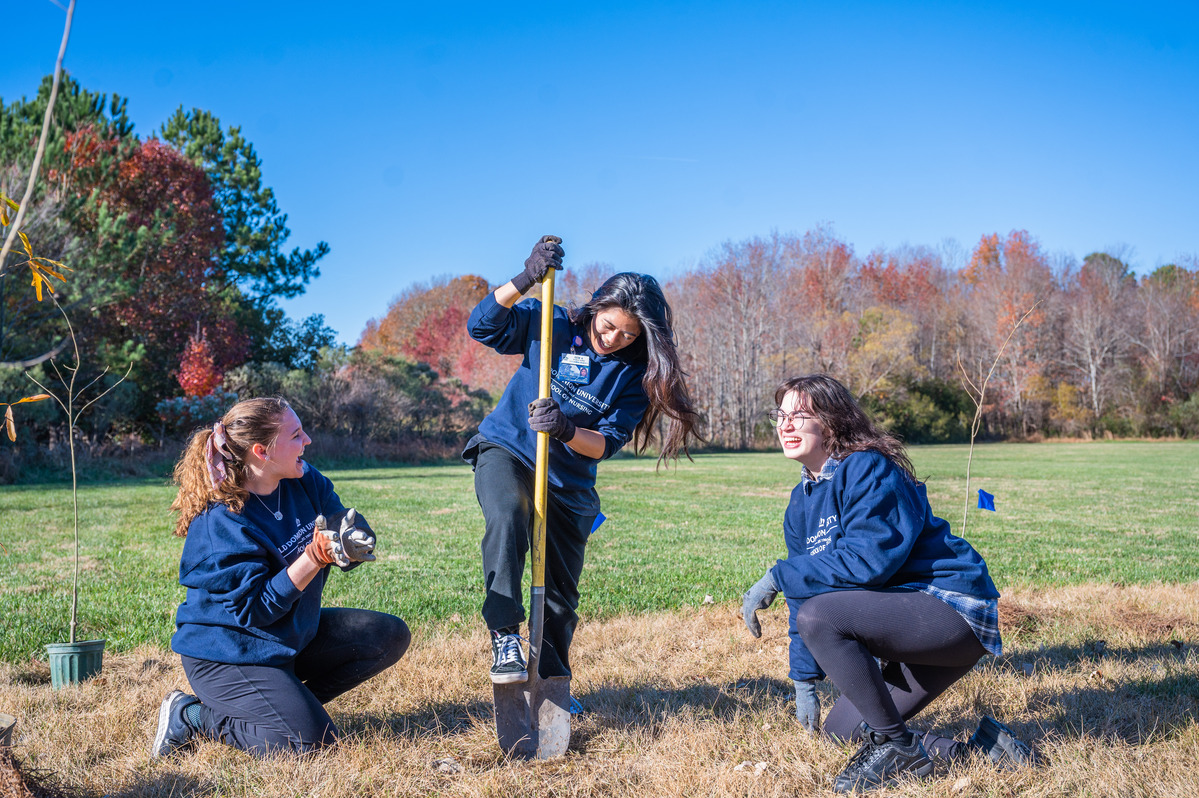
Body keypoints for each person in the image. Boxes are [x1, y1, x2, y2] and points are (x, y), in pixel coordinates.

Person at [740, 374, 1033, 793]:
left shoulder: (867, 468)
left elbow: (869, 562)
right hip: (907, 621)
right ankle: (985, 752)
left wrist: (777, 576)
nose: (785, 425)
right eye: (780, 416)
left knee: (821, 617)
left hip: (950, 610)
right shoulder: (800, 503)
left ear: (831, 421)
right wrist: (804, 680)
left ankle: (896, 745)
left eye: (800, 415)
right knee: (842, 731)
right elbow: (806, 588)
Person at [464, 235, 702, 685]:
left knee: (559, 596)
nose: (613, 340)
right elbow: (482, 327)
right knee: (508, 513)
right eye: (609, 326)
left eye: (629, 335)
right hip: (508, 449)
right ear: (595, 308)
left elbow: (607, 443)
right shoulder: (550, 322)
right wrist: (525, 278)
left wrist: (567, 430)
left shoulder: (633, 374)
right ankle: (505, 636)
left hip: (567, 482)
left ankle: (553, 684)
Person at [150, 397, 410, 758]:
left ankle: (283, 712)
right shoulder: (221, 523)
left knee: (388, 635)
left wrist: (352, 538)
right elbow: (256, 610)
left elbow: (340, 518)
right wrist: (313, 558)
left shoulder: (302, 479)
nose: (307, 441)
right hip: (231, 655)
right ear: (262, 452)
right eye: (296, 435)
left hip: (287, 637)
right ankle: (192, 716)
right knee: (310, 746)